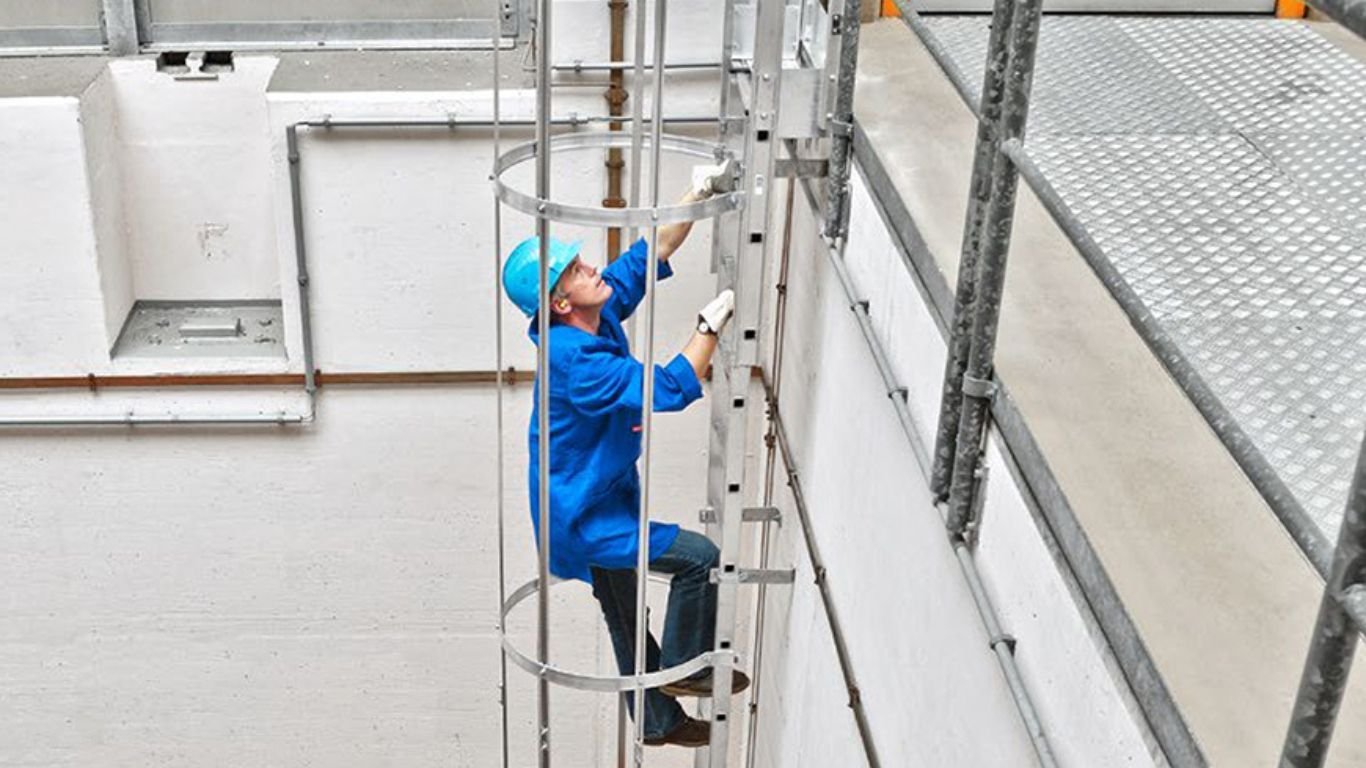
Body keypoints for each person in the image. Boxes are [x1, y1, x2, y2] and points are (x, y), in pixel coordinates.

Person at [501, 163, 748, 748]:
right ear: (560, 302)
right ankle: (687, 668)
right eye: (578, 270)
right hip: (584, 517)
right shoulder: (576, 361)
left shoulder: (593, 314)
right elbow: (666, 388)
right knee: (699, 559)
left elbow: (645, 256)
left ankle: (658, 723)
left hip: (592, 493)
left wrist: (697, 193)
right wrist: (708, 326)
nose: (592, 268)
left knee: (622, 617)